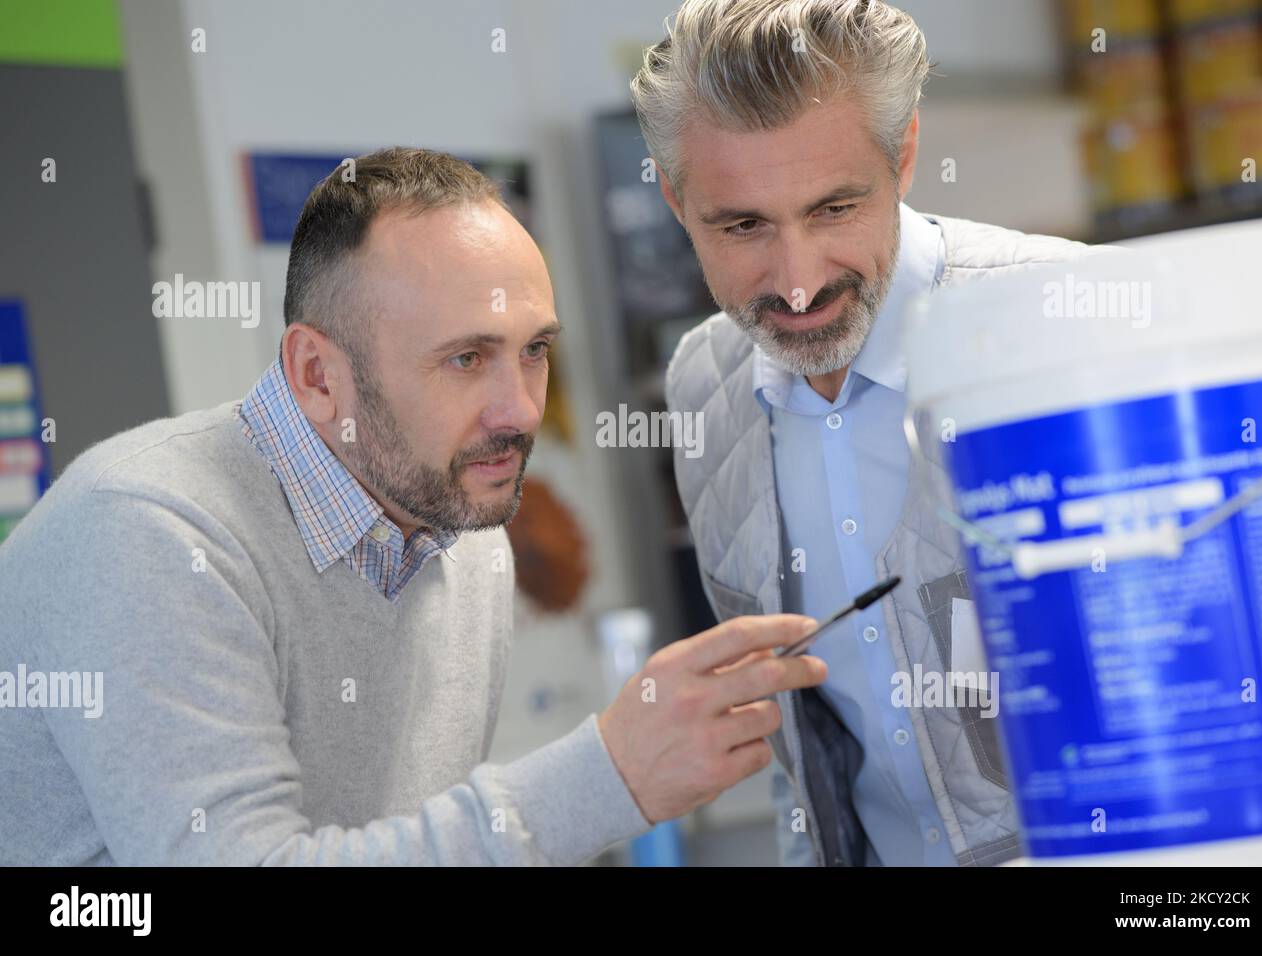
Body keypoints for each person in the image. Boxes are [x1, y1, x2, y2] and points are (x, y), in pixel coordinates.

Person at [0, 147, 827, 865]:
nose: (520, 410)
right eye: (466, 358)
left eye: (533, 351)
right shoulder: (148, 533)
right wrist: (607, 776)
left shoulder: (465, 539)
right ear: (319, 377)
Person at [632, 0, 1092, 865]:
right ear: (672, 195)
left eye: (835, 208)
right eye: (743, 227)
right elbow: (797, 753)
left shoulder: (1065, 316)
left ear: (905, 152)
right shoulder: (704, 386)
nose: (797, 282)